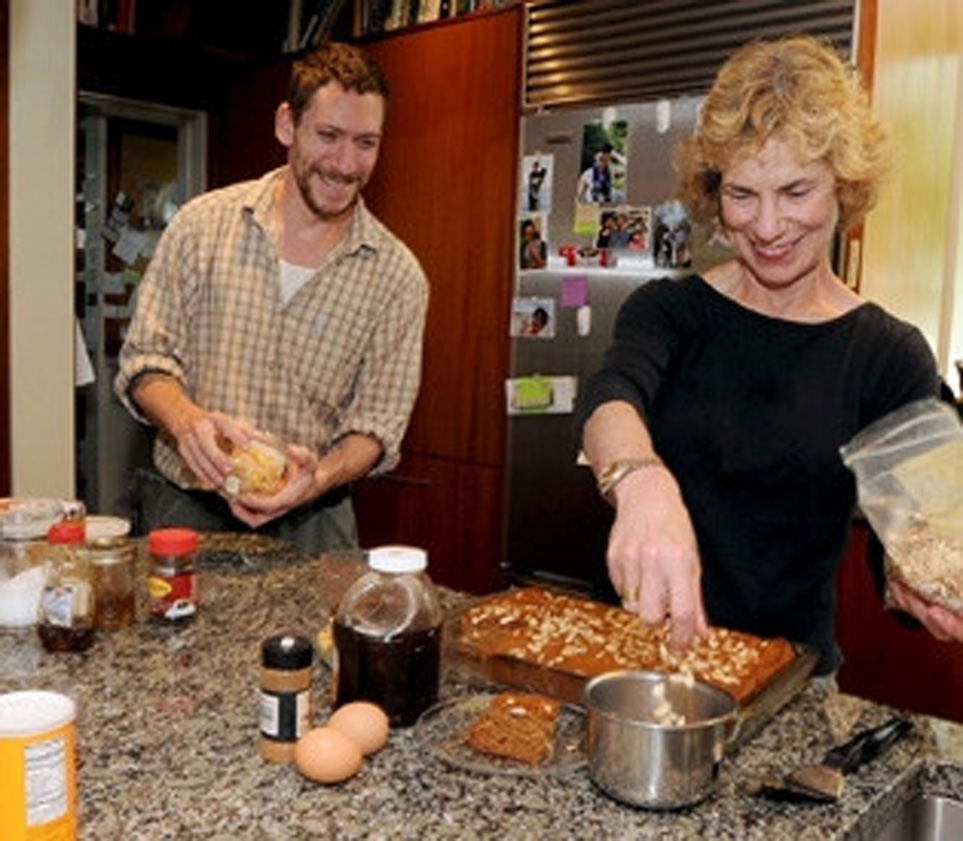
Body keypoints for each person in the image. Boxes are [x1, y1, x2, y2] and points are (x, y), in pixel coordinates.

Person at [575, 35, 963, 678]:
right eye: (743, 194)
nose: (768, 225)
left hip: (787, 677)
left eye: (796, 191)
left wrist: (914, 578)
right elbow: (609, 396)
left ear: (844, 184)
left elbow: (922, 527)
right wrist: (640, 482)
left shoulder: (888, 355)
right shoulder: (670, 312)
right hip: (638, 660)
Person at [114, 42, 428, 555]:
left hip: (316, 525)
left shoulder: (398, 276)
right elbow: (144, 362)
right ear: (287, 125)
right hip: (187, 511)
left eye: (366, 142)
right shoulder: (201, 226)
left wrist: (319, 475)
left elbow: (376, 426)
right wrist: (188, 422)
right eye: (328, 136)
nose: (346, 164)